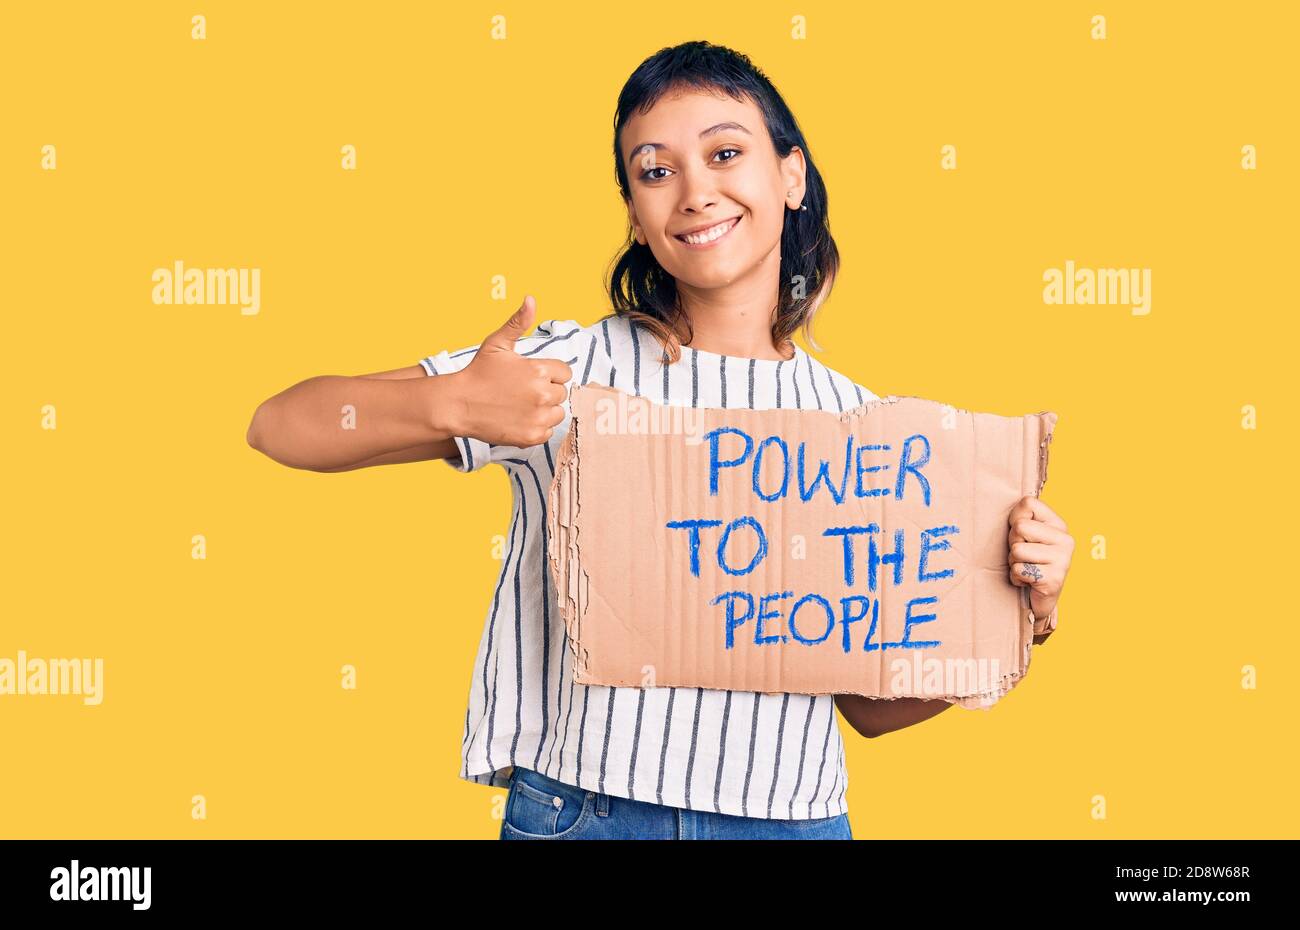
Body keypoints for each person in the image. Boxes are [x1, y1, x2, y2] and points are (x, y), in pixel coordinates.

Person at [246, 40, 1073, 840]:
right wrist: (453, 403)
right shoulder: (567, 370)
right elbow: (281, 425)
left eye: (725, 154)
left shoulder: (861, 431)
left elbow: (870, 709)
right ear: (637, 219)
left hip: (793, 823)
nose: (694, 192)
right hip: (586, 813)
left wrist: (1019, 614)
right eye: (655, 170)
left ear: (791, 175)